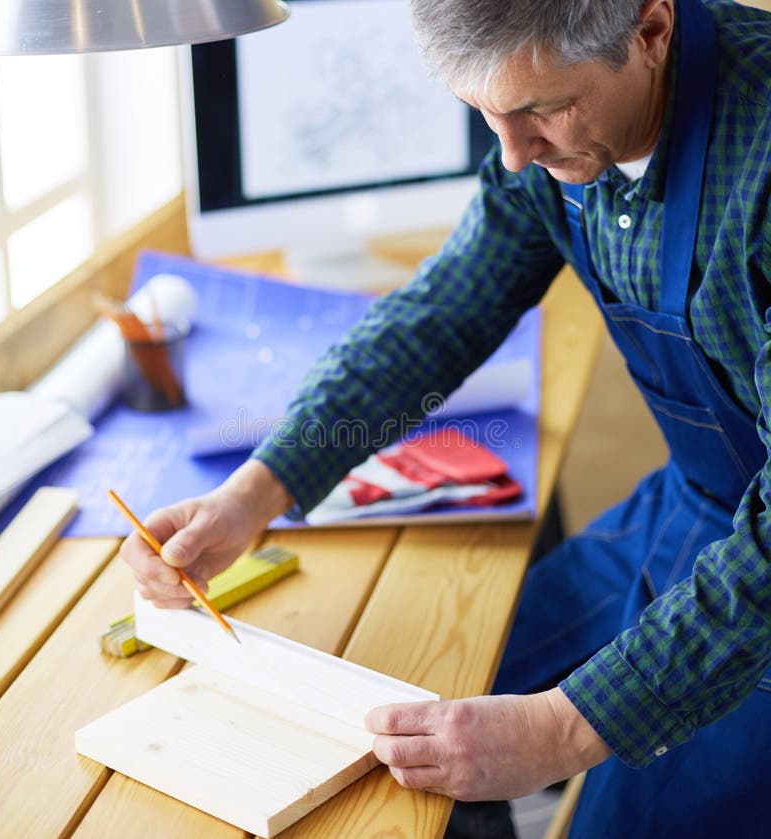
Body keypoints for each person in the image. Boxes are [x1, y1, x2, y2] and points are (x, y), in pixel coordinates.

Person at [120, 0, 771, 836]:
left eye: (539, 110)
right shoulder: (543, 135)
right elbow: (443, 312)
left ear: (650, 31)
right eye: (484, 114)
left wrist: (565, 729)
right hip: (693, 508)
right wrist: (255, 490)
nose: (512, 152)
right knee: (424, 708)